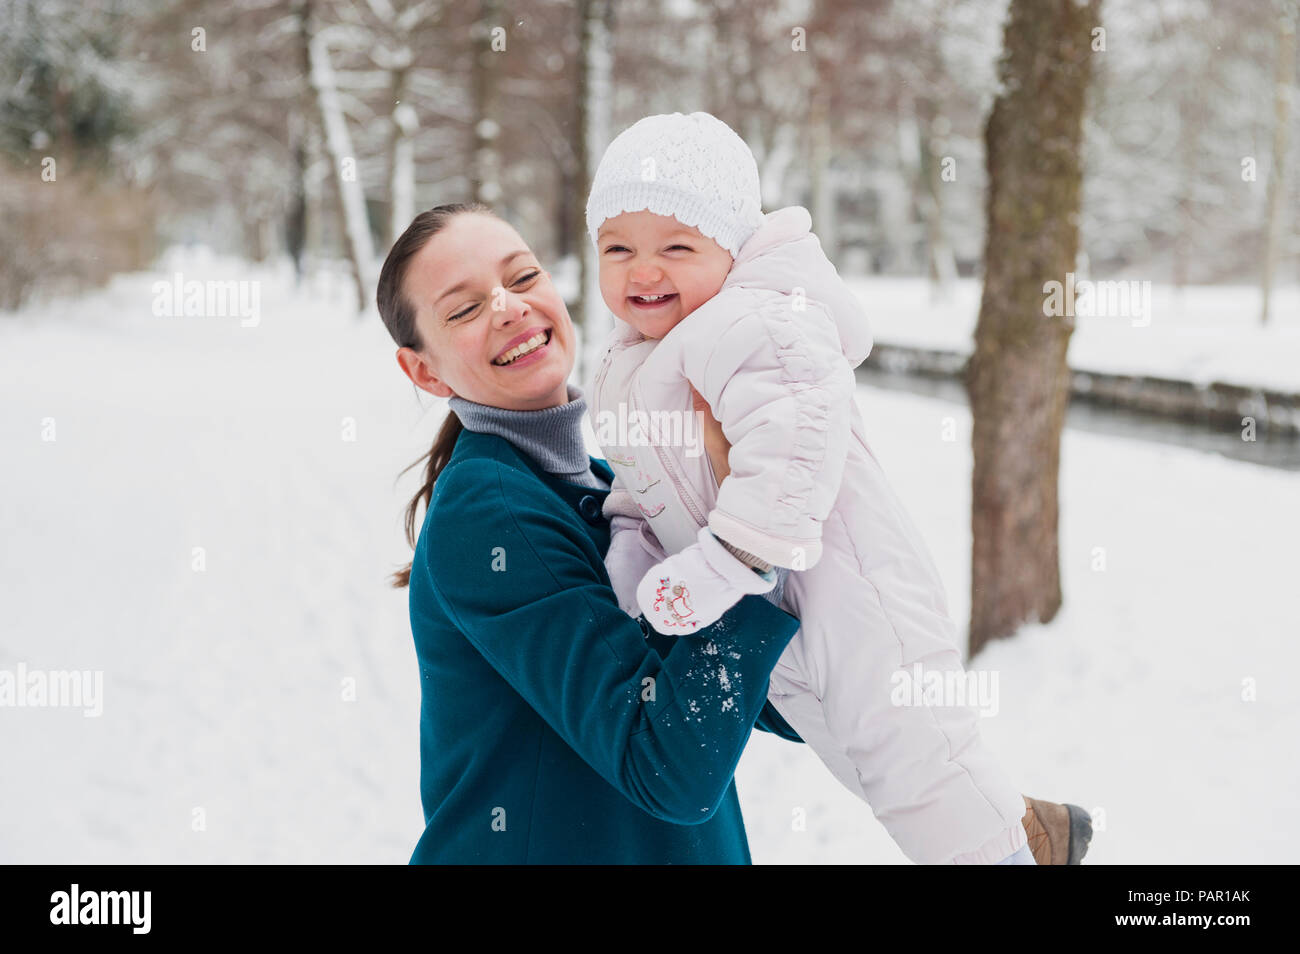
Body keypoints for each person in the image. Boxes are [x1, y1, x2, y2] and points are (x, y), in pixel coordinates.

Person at [586, 111, 1092, 865]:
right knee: (868, 767)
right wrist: (632, 552)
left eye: (676, 248)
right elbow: (638, 481)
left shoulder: (752, 322)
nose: (642, 271)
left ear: (731, 249)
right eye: (617, 248)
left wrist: (724, 563)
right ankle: (1032, 829)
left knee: (916, 766)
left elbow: (795, 442)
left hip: (857, 597)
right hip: (774, 609)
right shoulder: (630, 363)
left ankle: (1012, 852)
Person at [378, 202, 804, 864]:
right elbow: (666, 768)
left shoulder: (609, 486)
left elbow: (736, 690)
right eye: (464, 310)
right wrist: (744, 546)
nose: (509, 308)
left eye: (522, 278)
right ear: (424, 372)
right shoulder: (491, 514)